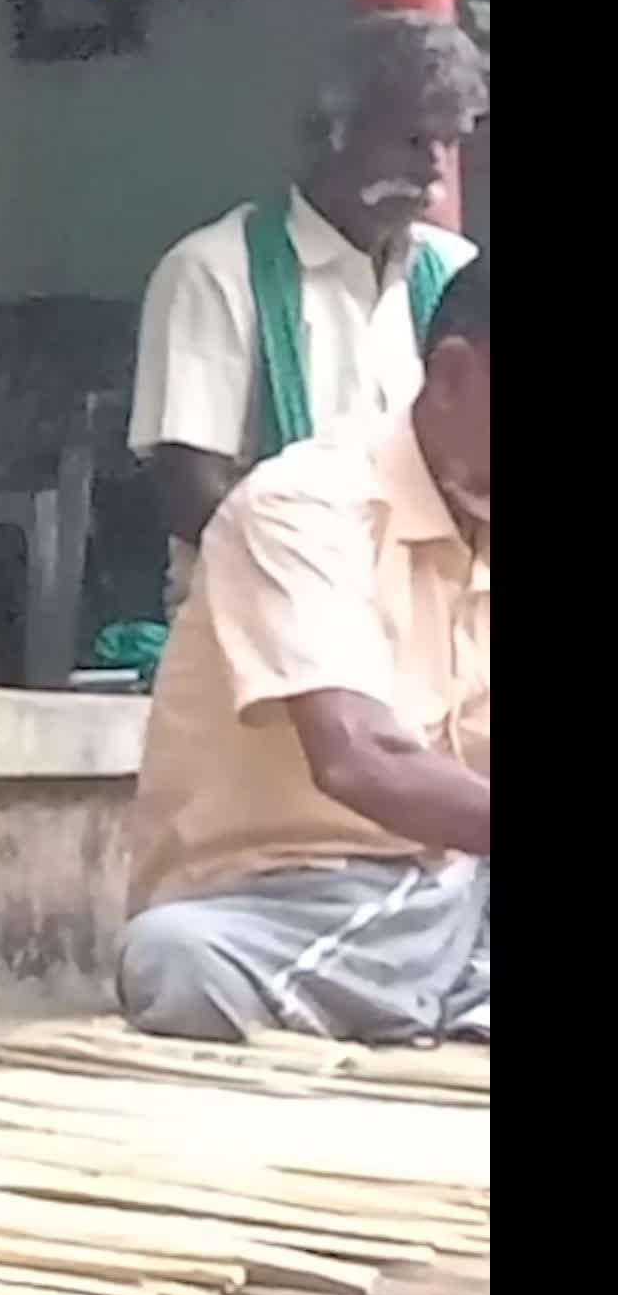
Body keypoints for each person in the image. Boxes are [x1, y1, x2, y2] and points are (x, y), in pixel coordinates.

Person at [114, 261, 489, 1046]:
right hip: (286, 899)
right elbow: (359, 758)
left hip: (450, 885)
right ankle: (448, 993)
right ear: (453, 374)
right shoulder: (307, 506)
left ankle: (444, 991)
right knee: (180, 960)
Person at [128, 10, 486, 597]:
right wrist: (345, 576)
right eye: (413, 140)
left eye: (449, 143)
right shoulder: (215, 271)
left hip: (426, 624)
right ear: (333, 132)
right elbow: (191, 493)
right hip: (266, 622)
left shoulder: (454, 270)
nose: (432, 170)